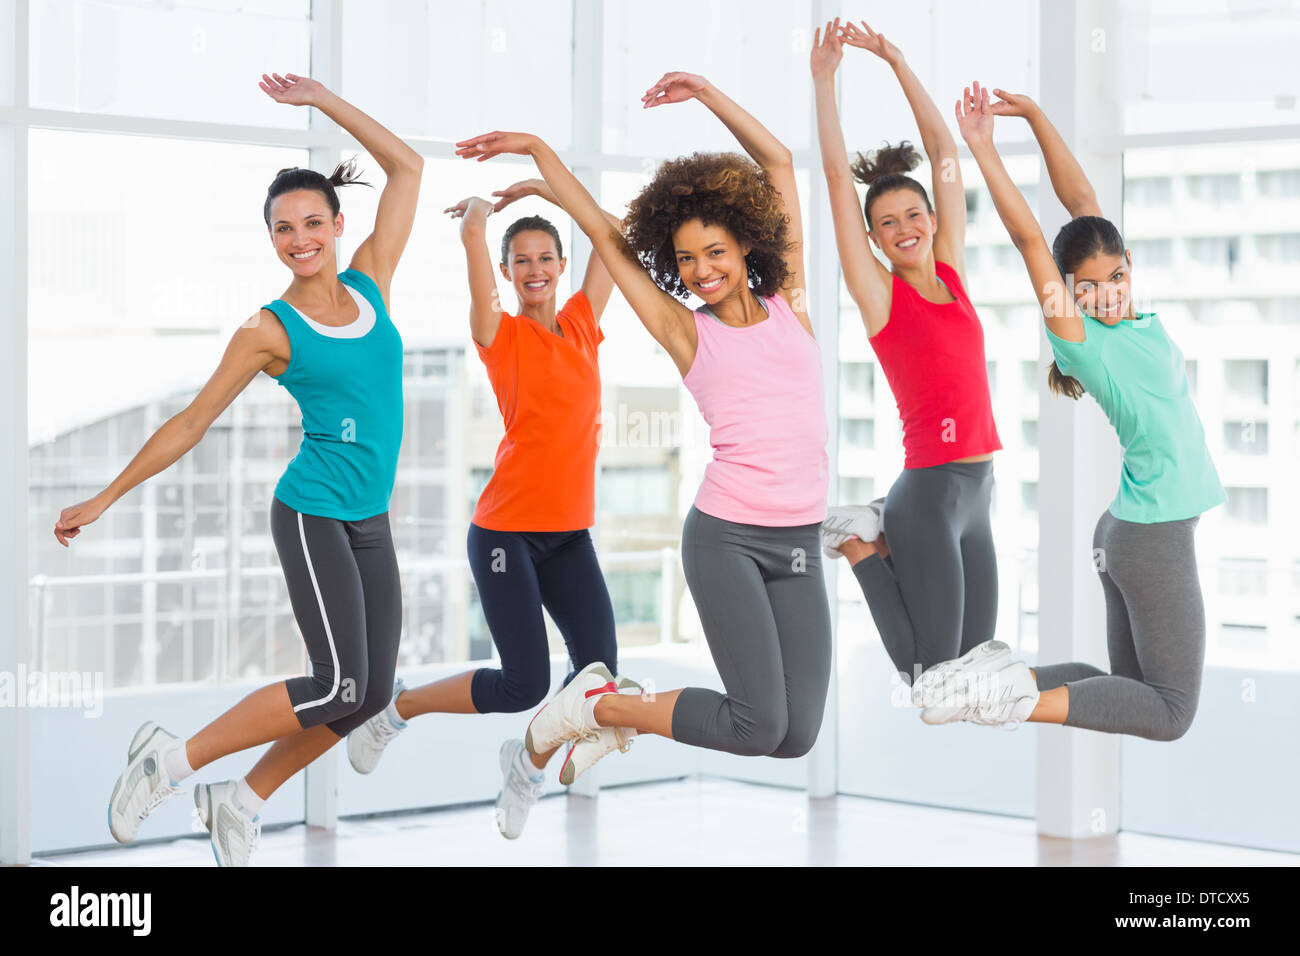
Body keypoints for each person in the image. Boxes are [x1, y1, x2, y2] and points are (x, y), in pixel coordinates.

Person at [57, 72, 423, 865]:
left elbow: (408, 168)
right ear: (271, 238)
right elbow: (191, 421)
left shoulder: (372, 283)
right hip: (312, 510)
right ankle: (170, 761)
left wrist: (325, 102)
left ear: (335, 223)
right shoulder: (269, 328)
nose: (300, 239)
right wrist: (106, 495)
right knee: (335, 685)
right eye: (284, 228)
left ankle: (240, 797)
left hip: (370, 517)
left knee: (366, 698)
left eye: (312, 222)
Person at [454, 69, 832, 765]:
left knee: (797, 735)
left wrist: (711, 93)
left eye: (715, 252)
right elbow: (604, 232)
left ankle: (599, 712)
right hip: (729, 538)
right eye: (686, 260)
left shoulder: (790, 300)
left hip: (800, 538)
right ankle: (598, 707)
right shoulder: (686, 330)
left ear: (747, 244)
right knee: (757, 724)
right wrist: (540, 150)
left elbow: (778, 161)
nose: (701, 271)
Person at [920, 82, 1225, 738]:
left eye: (1115, 278)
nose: (1106, 295)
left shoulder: (1132, 315)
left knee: (1129, 691)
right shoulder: (1082, 340)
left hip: (1130, 533)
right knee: (1169, 712)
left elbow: (1082, 204)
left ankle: (991, 679)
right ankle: (1008, 698)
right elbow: (1033, 240)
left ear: (1127, 268)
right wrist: (982, 147)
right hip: (1152, 537)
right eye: (1086, 288)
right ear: (1068, 294)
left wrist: (1033, 114)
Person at [344, 178, 640, 840]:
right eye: (521, 261)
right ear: (507, 272)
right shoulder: (498, 333)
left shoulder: (585, 325)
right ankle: (398, 709)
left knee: (599, 680)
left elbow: (612, 234)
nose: (534, 270)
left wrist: (546, 186)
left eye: (545, 258)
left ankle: (524, 766)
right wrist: (479, 219)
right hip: (505, 532)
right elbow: (474, 246)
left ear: (562, 266)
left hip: (569, 537)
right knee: (523, 684)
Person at [810, 19, 1003, 687]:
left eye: (913, 215)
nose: (904, 229)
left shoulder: (951, 272)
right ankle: (862, 542)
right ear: (873, 236)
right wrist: (824, 80)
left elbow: (943, 152)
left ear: (932, 217)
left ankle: (875, 526)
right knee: (931, 677)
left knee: (974, 671)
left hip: (979, 490)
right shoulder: (880, 295)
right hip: (927, 491)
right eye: (886, 223)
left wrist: (894, 59)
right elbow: (838, 179)